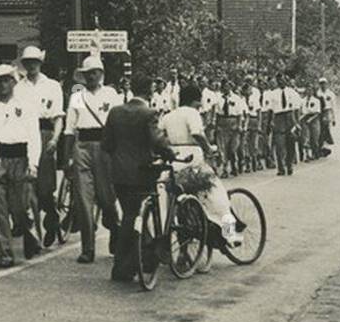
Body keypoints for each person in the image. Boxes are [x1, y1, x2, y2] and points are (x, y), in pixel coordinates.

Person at [102, 74, 176, 283]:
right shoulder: (149, 113)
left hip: (118, 173)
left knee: (130, 214)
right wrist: (170, 153)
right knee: (132, 218)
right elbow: (157, 140)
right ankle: (123, 266)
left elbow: (106, 143)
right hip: (141, 173)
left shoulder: (115, 112)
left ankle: (139, 259)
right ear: (150, 90)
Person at [159, 82, 240, 244]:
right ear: (195, 100)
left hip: (174, 160)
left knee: (169, 200)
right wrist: (209, 148)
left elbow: (160, 136)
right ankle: (230, 234)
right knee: (219, 198)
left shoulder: (168, 116)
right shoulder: (192, 113)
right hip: (193, 159)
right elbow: (197, 133)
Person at [63, 54, 120, 264]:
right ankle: (88, 248)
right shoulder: (77, 96)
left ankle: (115, 227)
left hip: (105, 147)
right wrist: (67, 157)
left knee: (107, 198)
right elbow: (69, 129)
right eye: (87, 74)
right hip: (82, 146)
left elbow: (118, 123)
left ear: (102, 74)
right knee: (83, 199)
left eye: (95, 73)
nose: (91, 77)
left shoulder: (112, 94)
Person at [0, 64, 40, 267]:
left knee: (20, 208)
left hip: (20, 158)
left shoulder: (26, 106)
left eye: (7, 80)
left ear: (14, 82)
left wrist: (33, 163)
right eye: (0, 81)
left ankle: (29, 232)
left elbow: (34, 136)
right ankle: (5, 252)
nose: (3, 84)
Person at [14, 45, 64, 246]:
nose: (31, 66)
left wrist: (55, 139)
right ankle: (30, 231)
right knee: (26, 186)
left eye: (35, 62)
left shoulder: (52, 86)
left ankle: (52, 218)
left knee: (44, 188)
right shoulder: (18, 87)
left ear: (40, 63)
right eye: (28, 62)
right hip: (23, 134)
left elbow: (58, 117)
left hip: (44, 134)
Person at [262, 73, 299, 176]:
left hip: (289, 117)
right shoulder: (273, 94)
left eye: (282, 80)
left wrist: (297, 123)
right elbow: (270, 110)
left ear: (286, 80)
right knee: (279, 145)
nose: (281, 82)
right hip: (279, 118)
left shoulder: (292, 92)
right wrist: (269, 124)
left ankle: (289, 165)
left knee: (290, 144)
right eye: (279, 81)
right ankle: (281, 168)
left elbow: (296, 109)